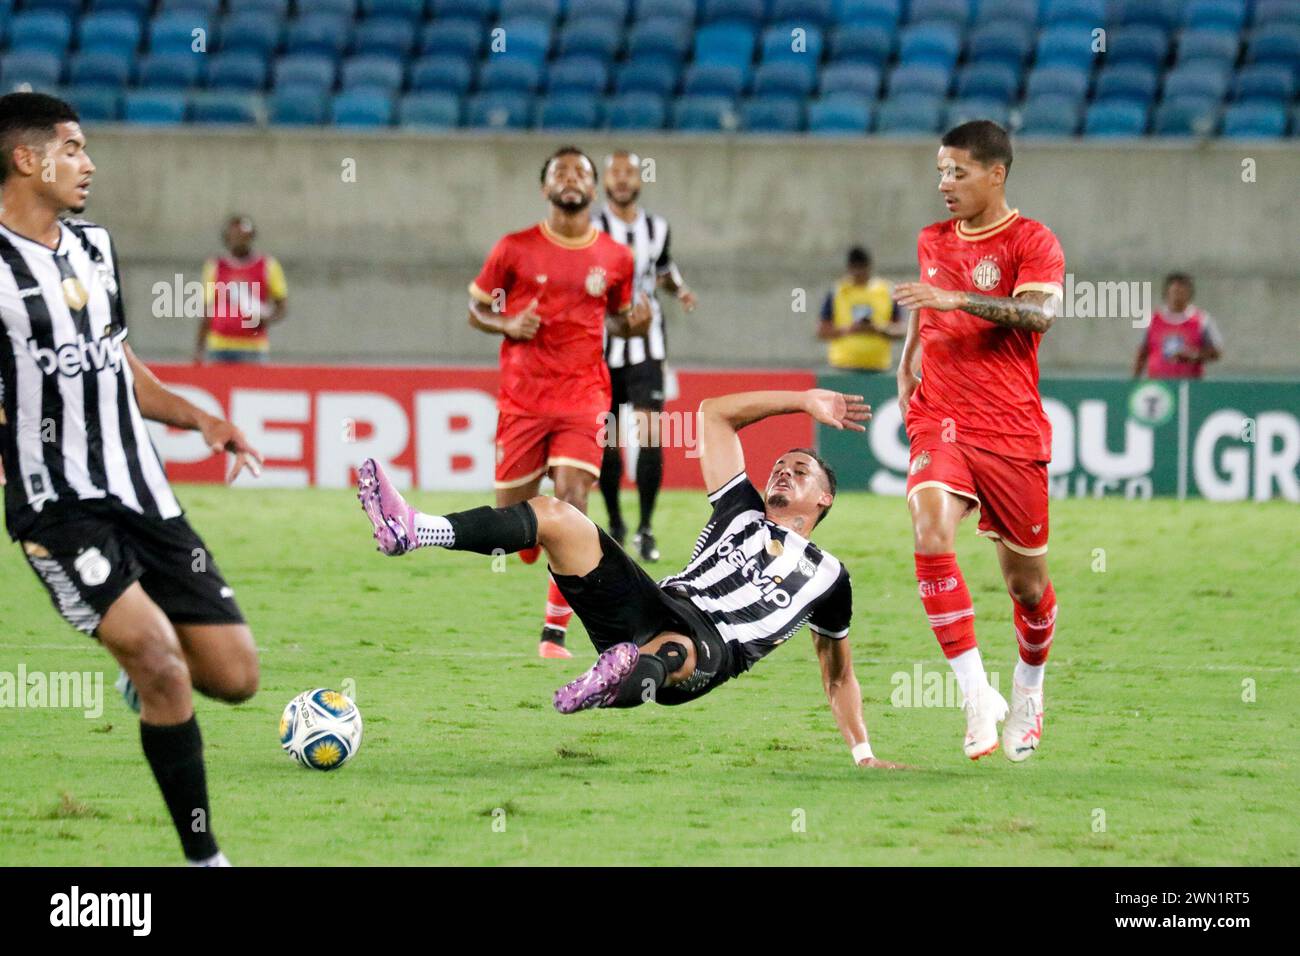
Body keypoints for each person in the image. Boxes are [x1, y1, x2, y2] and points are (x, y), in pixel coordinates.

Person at [355, 388, 903, 769]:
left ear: (825, 498)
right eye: (780, 465)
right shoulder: (740, 508)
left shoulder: (831, 577)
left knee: (678, 647)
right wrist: (802, 402)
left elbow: (837, 678)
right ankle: (415, 529)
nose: (784, 470)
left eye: (800, 470)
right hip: (652, 601)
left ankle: (620, 677)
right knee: (555, 514)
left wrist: (864, 752)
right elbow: (714, 414)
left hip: (712, 649)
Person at [0, 92, 263, 864]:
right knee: (160, 660)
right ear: (27, 158)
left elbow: (117, 361)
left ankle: (146, 680)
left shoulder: (95, 247)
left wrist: (199, 418)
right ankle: (205, 857)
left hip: (144, 496)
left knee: (238, 677)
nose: (89, 163)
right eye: (74, 148)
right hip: (59, 510)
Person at [893, 120, 1064, 763]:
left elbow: (1040, 313)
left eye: (957, 171)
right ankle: (975, 695)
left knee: (1027, 589)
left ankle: (1028, 688)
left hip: (1012, 431)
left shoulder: (1033, 240)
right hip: (941, 417)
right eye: (940, 170)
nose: (944, 183)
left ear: (996, 174)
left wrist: (957, 295)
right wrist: (908, 361)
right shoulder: (932, 238)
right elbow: (926, 304)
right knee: (930, 529)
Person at [466, 145, 648, 659]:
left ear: (594, 190)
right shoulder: (513, 248)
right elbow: (476, 310)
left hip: (584, 393)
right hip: (523, 397)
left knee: (572, 499)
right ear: (545, 188)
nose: (571, 179)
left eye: (581, 173)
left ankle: (554, 634)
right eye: (560, 172)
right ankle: (531, 535)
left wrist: (637, 321)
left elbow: (618, 315)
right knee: (510, 531)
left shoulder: (617, 256)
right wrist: (505, 323)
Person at [594, 149, 697, 562]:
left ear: (639, 180)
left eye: (629, 173)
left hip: (648, 345)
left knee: (651, 433)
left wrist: (680, 289)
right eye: (614, 173)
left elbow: (664, 269)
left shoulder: (657, 227)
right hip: (601, 344)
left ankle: (646, 528)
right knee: (608, 441)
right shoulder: (592, 227)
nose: (621, 179)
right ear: (604, 183)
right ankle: (616, 523)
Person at [193, 214, 288, 364]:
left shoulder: (267, 265)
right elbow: (207, 309)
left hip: (254, 347)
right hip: (219, 346)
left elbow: (281, 306)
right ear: (227, 237)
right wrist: (199, 349)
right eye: (235, 235)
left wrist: (266, 319)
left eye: (243, 235)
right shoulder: (215, 266)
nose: (239, 239)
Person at [817, 245, 907, 372]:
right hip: (842, 366)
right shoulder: (837, 291)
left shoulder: (886, 291)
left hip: (878, 367)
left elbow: (901, 330)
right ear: (849, 268)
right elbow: (822, 331)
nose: (858, 273)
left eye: (862, 268)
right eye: (855, 268)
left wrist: (879, 329)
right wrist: (851, 329)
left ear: (869, 267)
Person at [1132, 272, 1223, 379]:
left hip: (1190, 384)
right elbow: (1141, 354)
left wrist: (1193, 355)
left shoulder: (1202, 320)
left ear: (1189, 294)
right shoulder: (1152, 320)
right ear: (1166, 293)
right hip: (1159, 384)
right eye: (1174, 291)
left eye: (1182, 292)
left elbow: (1216, 352)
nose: (1177, 296)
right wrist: (1134, 381)